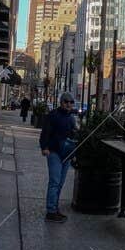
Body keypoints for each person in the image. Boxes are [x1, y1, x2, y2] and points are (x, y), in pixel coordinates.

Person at [38, 92, 80, 221]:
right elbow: (45, 132)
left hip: (66, 155)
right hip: (54, 152)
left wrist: (74, 153)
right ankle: (51, 211)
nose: (68, 104)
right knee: (55, 182)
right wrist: (44, 147)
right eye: (66, 101)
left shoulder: (71, 118)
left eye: (71, 102)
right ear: (61, 102)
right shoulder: (53, 115)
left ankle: (55, 208)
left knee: (60, 183)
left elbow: (74, 137)